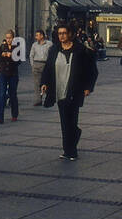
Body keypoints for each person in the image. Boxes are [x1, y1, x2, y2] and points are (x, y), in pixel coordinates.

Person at [40, 22, 98, 159]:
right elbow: (48, 69)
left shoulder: (80, 50)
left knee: (71, 121)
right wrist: (44, 83)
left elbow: (92, 70)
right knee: (65, 122)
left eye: (64, 33)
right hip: (59, 91)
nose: (62, 36)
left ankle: (72, 150)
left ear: (70, 34)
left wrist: (88, 87)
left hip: (75, 91)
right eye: (60, 33)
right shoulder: (54, 50)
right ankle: (68, 149)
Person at [0, 30, 19, 123]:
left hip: (13, 73)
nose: (8, 40)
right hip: (3, 73)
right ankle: (0, 117)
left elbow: (19, 61)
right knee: (1, 94)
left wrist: (11, 56)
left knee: (12, 94)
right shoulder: (2, 47)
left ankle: (14, 114)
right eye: (7, 38)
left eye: (10, 38)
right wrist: (2, 61)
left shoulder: (17, 47)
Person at [29, 29, 51, 106]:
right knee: (36, 83)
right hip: (36, 64)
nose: (36, 37)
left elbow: (51, 55)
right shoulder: (34, 45)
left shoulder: (49, 44)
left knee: (47, 82)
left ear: (42, 36)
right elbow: (31, 55)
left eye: (37, 35)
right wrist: (33, 65)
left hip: (45, 64)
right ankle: (38, 100)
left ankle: (48, 99)